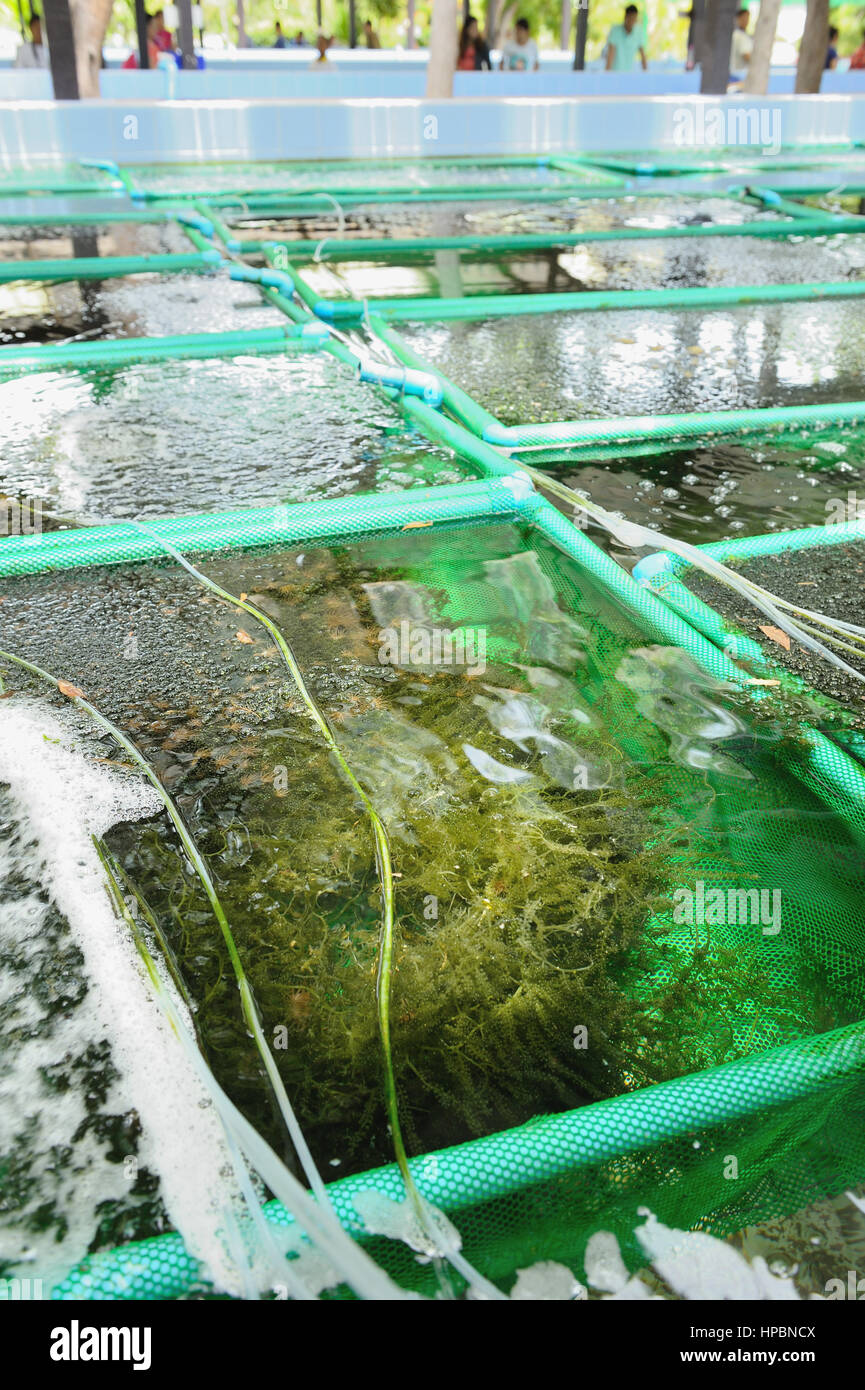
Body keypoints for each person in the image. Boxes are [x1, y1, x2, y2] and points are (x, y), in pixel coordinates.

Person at [604, 6, 647, 72]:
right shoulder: (615, 31)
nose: (632, 21)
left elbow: (643, 56)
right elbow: (610, 56)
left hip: (629, 74)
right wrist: (606, 75)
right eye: (630, 18)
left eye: (634, 19)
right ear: (625, 17)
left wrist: (646, 75)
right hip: (614, 73)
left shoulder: (639, 32)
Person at [729, 7, 752, 78]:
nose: (746, 21)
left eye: (747, 18)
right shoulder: (739, 36)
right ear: (738, 19)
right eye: (744, 18)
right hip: (739, 75)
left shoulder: (744, 35)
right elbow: (746, 55)